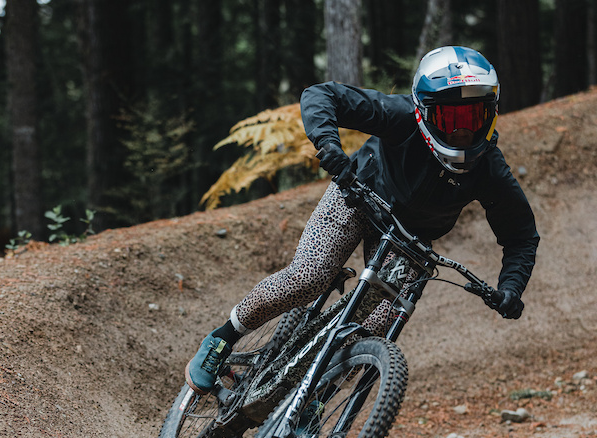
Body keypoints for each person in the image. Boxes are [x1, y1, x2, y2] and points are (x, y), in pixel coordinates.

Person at [186, 45, 539, 395]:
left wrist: (511, 288)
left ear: (491, 114)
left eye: (472, 118)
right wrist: (329, 146)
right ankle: (221, 340)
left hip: (410, 241)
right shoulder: (400, 115)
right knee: (308, 278)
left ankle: (318, 399)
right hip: (356, 195)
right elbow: (322, 95)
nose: (462, 133)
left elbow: (521, 235)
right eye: (450, 119)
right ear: (424, 113)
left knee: (378, 324)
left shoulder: (490, 168)